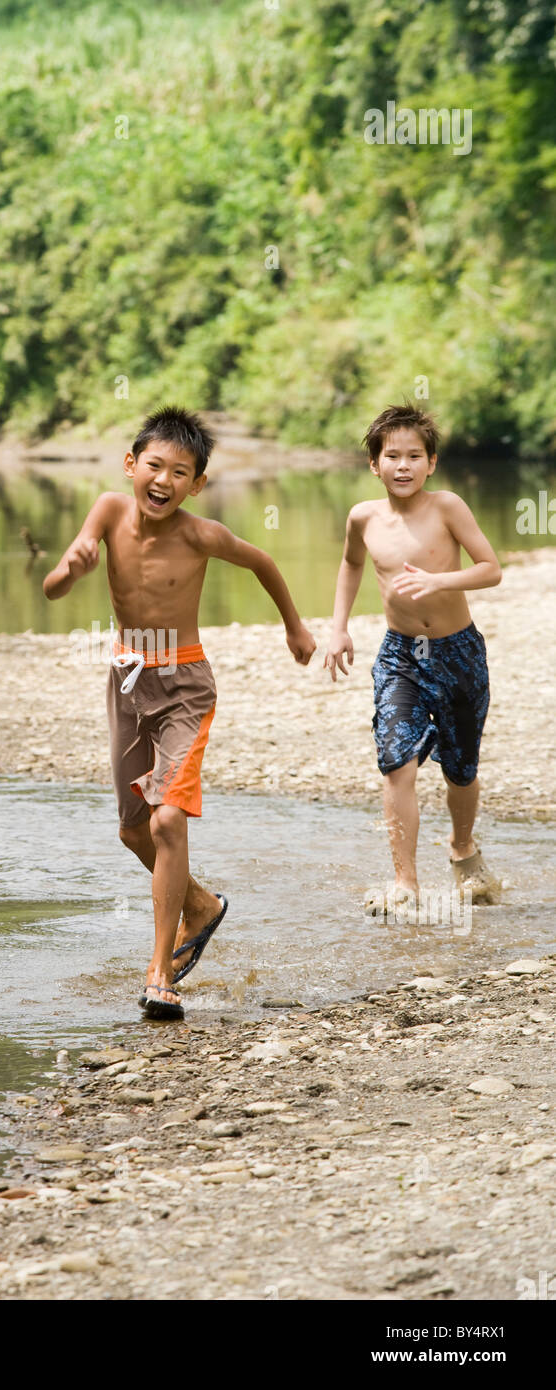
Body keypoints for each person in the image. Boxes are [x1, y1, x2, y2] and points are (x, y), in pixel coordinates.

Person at [44, 405, 316, 1018]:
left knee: (169, 823)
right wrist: (72, 566)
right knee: (133, 830)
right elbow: (53, 586)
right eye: (154, 465)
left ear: (196, 484)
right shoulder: (109, 511)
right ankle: (201, 904)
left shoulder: (203, 535)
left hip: (186, 685)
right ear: (130, 464)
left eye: (180, 472)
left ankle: (160, 972)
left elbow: (264, 563)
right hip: (126, 678)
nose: (163, 480)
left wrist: (295, 628)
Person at [324, 403, 502, 915]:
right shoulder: (363, 517)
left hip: (458, 652)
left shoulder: (448, 508)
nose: (403, 466)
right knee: (396, 762)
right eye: (392, 456)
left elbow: (491, 569)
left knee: (461, 770)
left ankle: (462, 848)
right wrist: (337, 628)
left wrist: (437, 580)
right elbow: (350, 566)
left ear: (432, 463)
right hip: (400, 654)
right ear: (373, 465)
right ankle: (406, 881)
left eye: (414, 456)